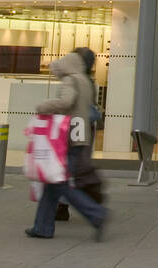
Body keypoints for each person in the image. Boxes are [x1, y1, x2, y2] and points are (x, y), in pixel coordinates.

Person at [26, 48, 108, 240]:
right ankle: (42, 227)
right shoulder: (86, 81)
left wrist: (43, 106)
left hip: (66, 137)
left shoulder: (70, 80)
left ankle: (96, 213)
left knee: (60, 183)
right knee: (53, 184)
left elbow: (66, 101)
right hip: (80, 135)